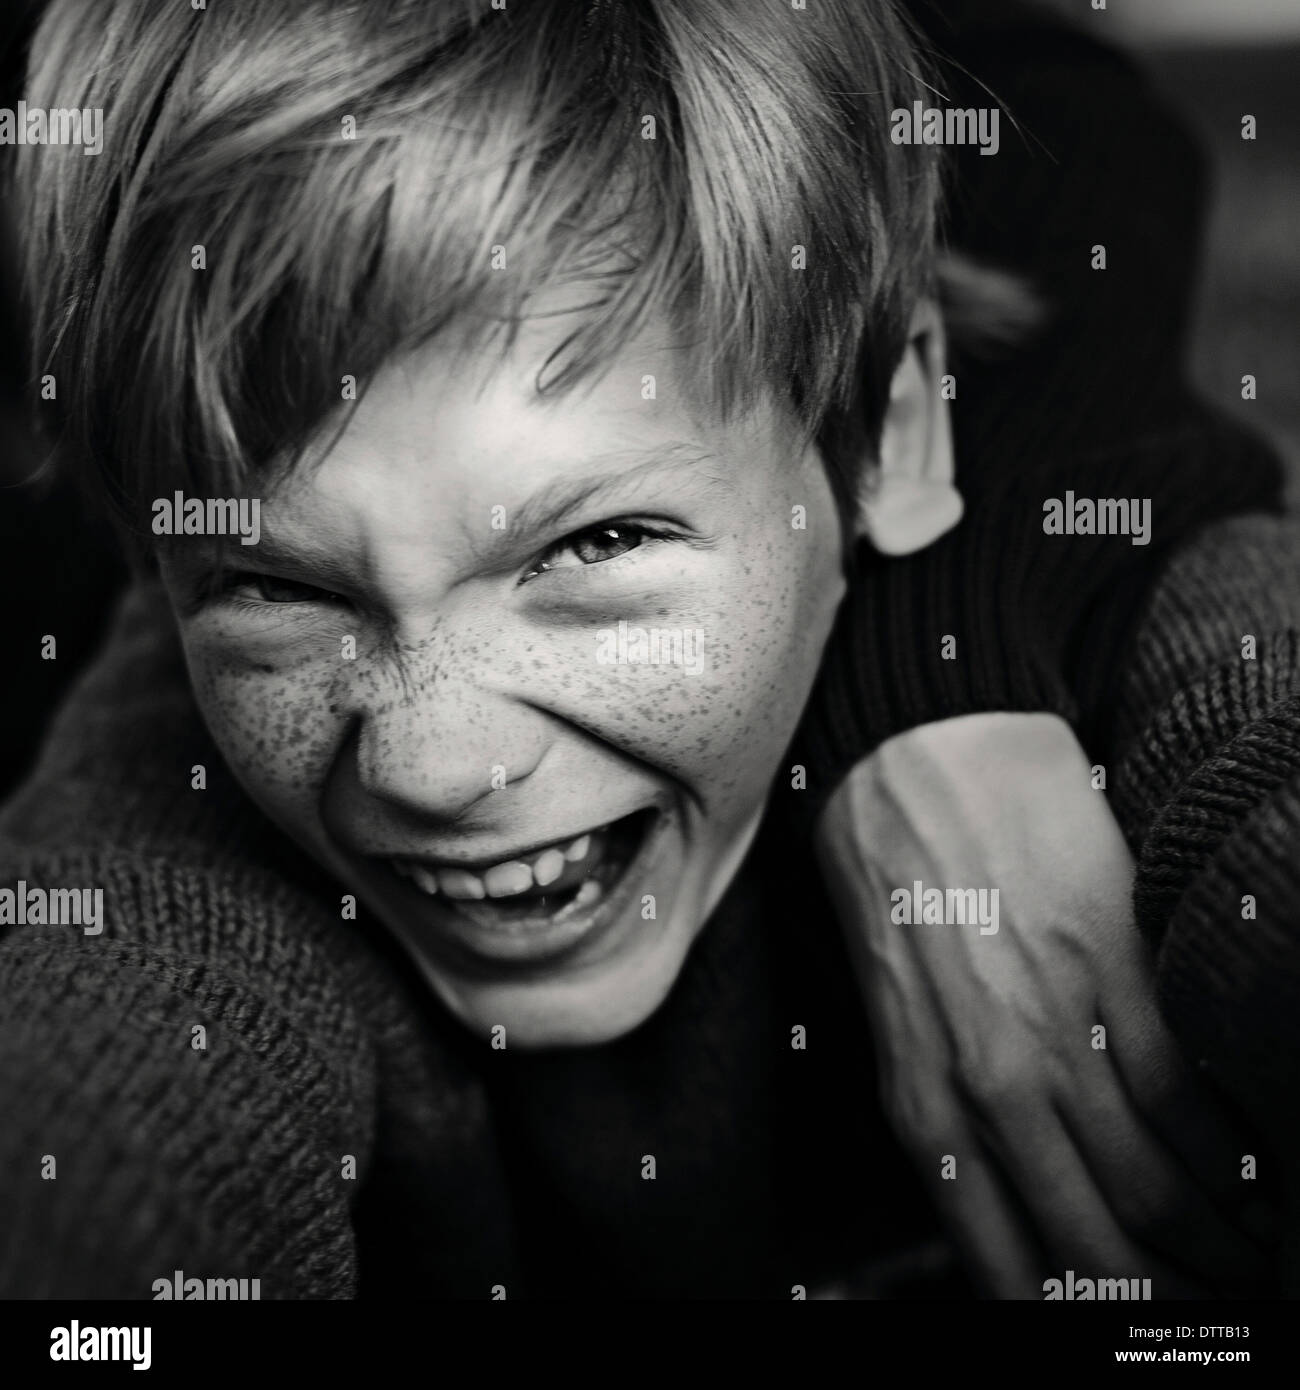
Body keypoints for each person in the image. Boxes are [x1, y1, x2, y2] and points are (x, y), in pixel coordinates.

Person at [0, 0, 1295, 1298]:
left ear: (896, 435)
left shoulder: (1158, 632)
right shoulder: (167, 801)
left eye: (594, 544)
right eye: (274, 585)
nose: (434, 763)